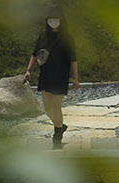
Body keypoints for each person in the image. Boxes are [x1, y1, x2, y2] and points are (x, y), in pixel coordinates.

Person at [24, 12, 79, 148]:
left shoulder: (67, 38)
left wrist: (75, 78)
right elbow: (35, 54)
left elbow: (73, 59)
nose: (53, 21)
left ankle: (57, 137)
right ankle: (60, 126)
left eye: (56, 18)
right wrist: (28, 70)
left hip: (60, 76)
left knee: (56, 106)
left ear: (61, 20)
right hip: (46, 75)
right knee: (48, 109)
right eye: (51, 19)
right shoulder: (43, 36)